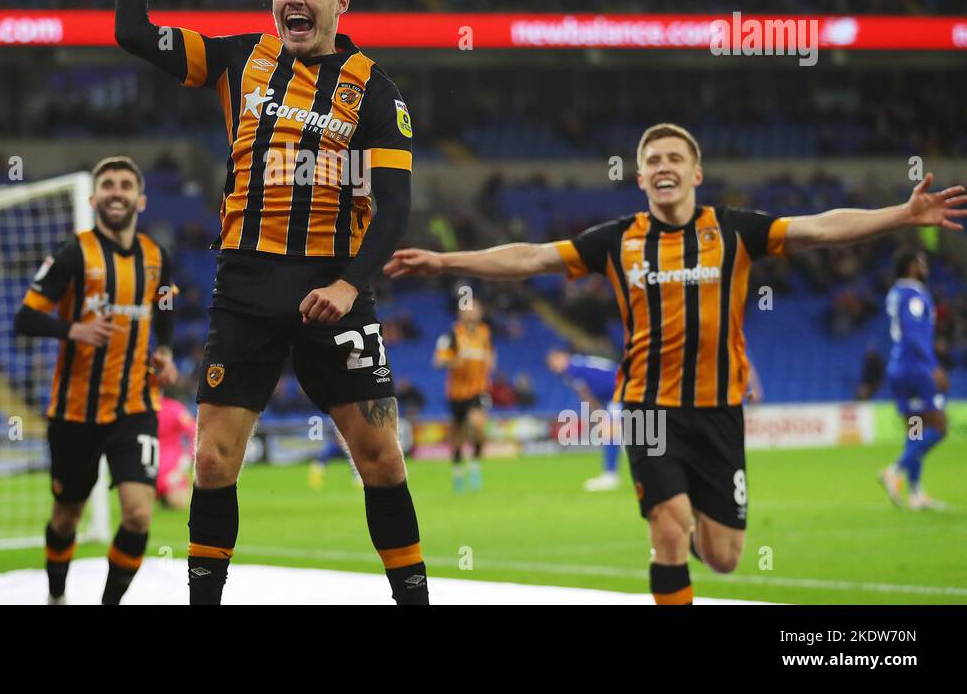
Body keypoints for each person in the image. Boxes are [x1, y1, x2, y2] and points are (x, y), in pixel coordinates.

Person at [388, 122, 965, 604]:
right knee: (667, 527)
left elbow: (821, 228)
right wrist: (445, 261)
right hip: (647, 408)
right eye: (653, 160)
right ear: (640, 178)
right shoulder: (616, 240)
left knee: (724, 557)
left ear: (696, 173)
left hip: (718, 411)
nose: (664, 166)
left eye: (675, 158)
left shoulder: (735, 231)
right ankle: (673, 529)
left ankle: (697, 532)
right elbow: (529, 257)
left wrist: (899, 215)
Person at [115, 0, 427, 604]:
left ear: (340, 2)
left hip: (333, 290)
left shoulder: (374, 89)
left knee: (380, 459)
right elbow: (133, 34)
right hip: (246, 288)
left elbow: (395, 208)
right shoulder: (237, 59)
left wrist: (350, 285)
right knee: (211, 460)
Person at [14, 157, 180, 605]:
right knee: (67, 516)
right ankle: (56, 596)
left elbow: (164, 311)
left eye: (126, 184)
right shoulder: (72, 254)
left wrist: (163, 353)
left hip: (135, 407)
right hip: (74, 411)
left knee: (139, 517)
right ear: (93, 199)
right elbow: (25, 317)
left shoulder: (156, 256)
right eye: (107, 184)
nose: (116, 191)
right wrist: (74, 329)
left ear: (140, 199)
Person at [878, 250, 948, 510]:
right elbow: (914, 332)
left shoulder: (895, 293)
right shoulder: (915, 294)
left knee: (915, 430)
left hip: (898, 367)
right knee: (940, 427)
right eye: (921, 262)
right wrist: (933, 367)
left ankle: (916, 492)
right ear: (910, 267)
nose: (925, 266)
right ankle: (895, 470)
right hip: (916, 368)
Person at [433, 299, 495, 492]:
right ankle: (458, 470)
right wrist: (453, 361)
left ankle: (475, 466)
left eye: (476, 308)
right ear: (461, 313)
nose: (473, 312)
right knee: (458, 434)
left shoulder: (485, 333)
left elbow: (490, 353)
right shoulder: (452, 335)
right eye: (469, 309)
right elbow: (438, 361)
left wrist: (490, 366)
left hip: (478, 390)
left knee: (477, 425)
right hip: (456, 393)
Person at [546, 348, 622, 491]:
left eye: (554, 362)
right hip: (617, 389)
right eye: (551, 365)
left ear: (563, 356)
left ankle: (611, 475)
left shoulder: (572, 370)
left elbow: (586, 394)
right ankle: (611, 474)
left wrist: (598, 414)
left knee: (610, 431)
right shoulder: (579, 362)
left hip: (620, 390)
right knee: (614, 431)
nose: (553, 367)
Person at [156, 394, 196, 510]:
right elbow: (194, 432)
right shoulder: (175, 409)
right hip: (167, 469)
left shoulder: (169, 409)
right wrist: (187, 459)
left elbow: (194, 432)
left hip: (156, 466)